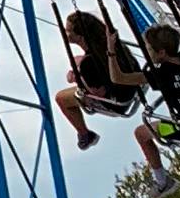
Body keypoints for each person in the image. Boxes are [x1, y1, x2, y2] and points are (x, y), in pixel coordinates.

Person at [53, 8, 148, 151]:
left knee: (61, 98)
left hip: (116, 101)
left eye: (68, 31)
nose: (65, 34)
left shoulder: (88, 63)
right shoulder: (113, 45)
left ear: (80, 36)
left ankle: (85, 134)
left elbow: (97, 92)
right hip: (132, 88)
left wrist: (78, 76)